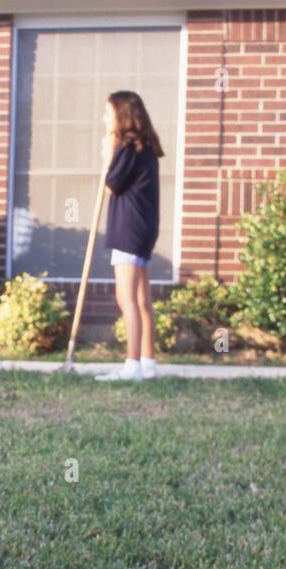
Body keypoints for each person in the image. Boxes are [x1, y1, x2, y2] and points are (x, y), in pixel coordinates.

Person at [95, 90, 163, 382]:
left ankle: (132, 364)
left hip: (128, 229)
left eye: (108, 113)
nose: (105, 118)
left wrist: (108, 152)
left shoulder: (128, 147)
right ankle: (148, 361)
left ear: (121, 115)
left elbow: (111, 184)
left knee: (127, 298)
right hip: (145, 229)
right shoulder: (146, 147)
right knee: (142, 298)